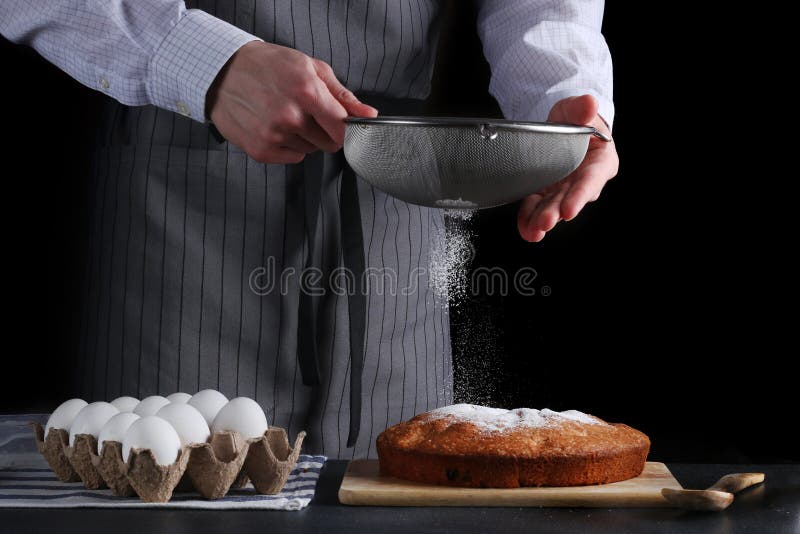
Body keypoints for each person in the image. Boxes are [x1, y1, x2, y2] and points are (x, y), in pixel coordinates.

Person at [1, 1, 618, 458]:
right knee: (166, 484)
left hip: (394, 200)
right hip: (182, 214)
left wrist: (561, 98)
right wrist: (203, 62)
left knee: (392, 494)